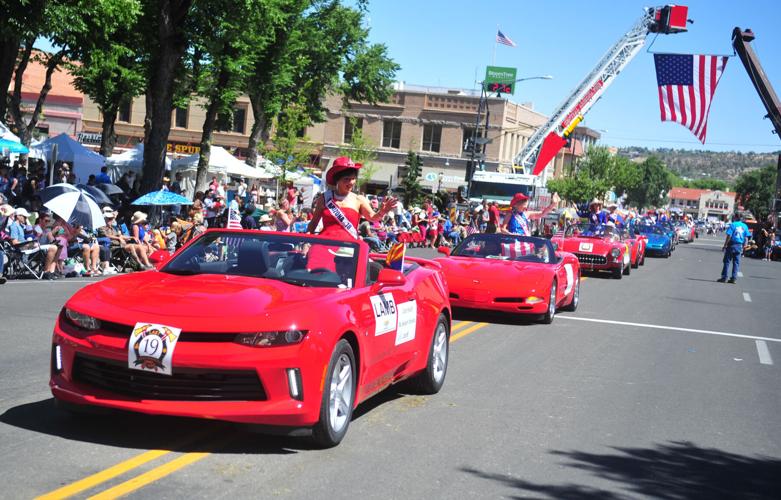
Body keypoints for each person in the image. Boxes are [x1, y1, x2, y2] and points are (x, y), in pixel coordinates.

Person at [307, 156, 396, 240]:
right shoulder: (325, 198)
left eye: (353, 178)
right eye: (346, 179)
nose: (351, 182)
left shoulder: (359, 199)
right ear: (337, 180)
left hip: (349, 247)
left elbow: (372, 217)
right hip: (325, 244)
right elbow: (314, 223)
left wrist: (382, 211)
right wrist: (305, 241)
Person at [718, 212, 751, 283]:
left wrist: (725, 245)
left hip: (732, 245)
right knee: (736, 262)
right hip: (739, 245)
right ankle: (733, 278)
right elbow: (746, 237)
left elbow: (729, 235)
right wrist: (745, 246)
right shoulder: (745, 226)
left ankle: (724, 277)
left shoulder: (733, 225)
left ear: (735, 217)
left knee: (727, 261)